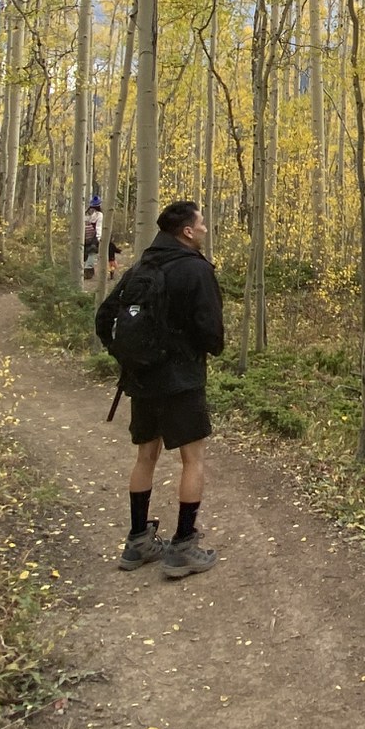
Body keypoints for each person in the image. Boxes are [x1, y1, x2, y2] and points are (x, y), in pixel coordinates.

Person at [94, 199, 223, 578]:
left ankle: (137, 541)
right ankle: (183, 545)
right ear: (186, 230)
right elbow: (212, 331)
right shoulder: (195, 270)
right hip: (181, 379)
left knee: (145, 457)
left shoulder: (142, 267)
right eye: (201, 223)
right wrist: (205, 348)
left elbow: (105, 316)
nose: (204, 228)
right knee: (193, 459)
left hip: (142, 379)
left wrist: (129, 357)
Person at [83, 196, 103, 279]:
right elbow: (99, 227)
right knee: (92, 253)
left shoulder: (86, 213)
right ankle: (88, 271)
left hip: (84, 236)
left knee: (85, 253)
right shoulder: (99, 214)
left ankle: (83, 269)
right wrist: (99, 238)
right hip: (93, 237)